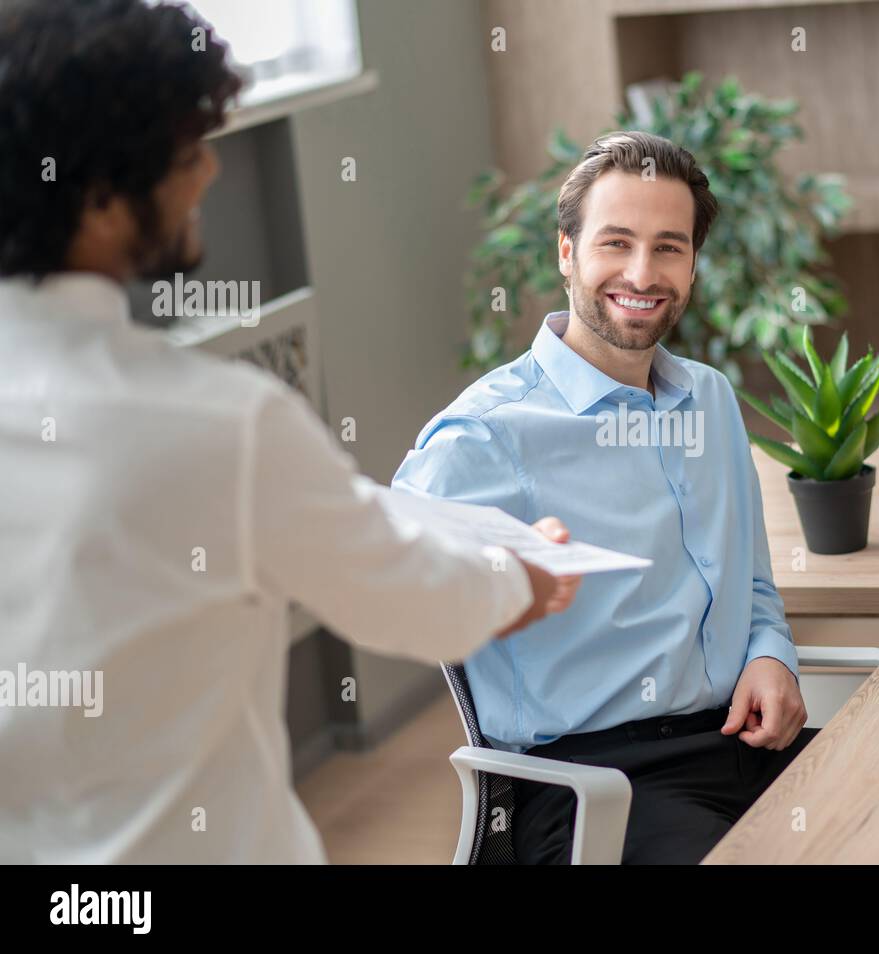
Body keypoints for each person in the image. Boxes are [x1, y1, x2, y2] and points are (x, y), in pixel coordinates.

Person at [0, 0, 578, 863]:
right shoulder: (218, 424)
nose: (212, 176)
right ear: (99, 196)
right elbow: (405, 593)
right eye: (190, 153)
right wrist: (520, 579)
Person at [394, 131, 814, 864]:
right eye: (615, 243)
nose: (642, 273)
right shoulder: (487, 435)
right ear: (567, 253)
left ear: (693, 264)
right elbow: (386, 572)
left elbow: (750, 581)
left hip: (739, 748)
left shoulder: (709, 401)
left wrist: (771, 654)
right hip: (593, 786)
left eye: (670, 247)